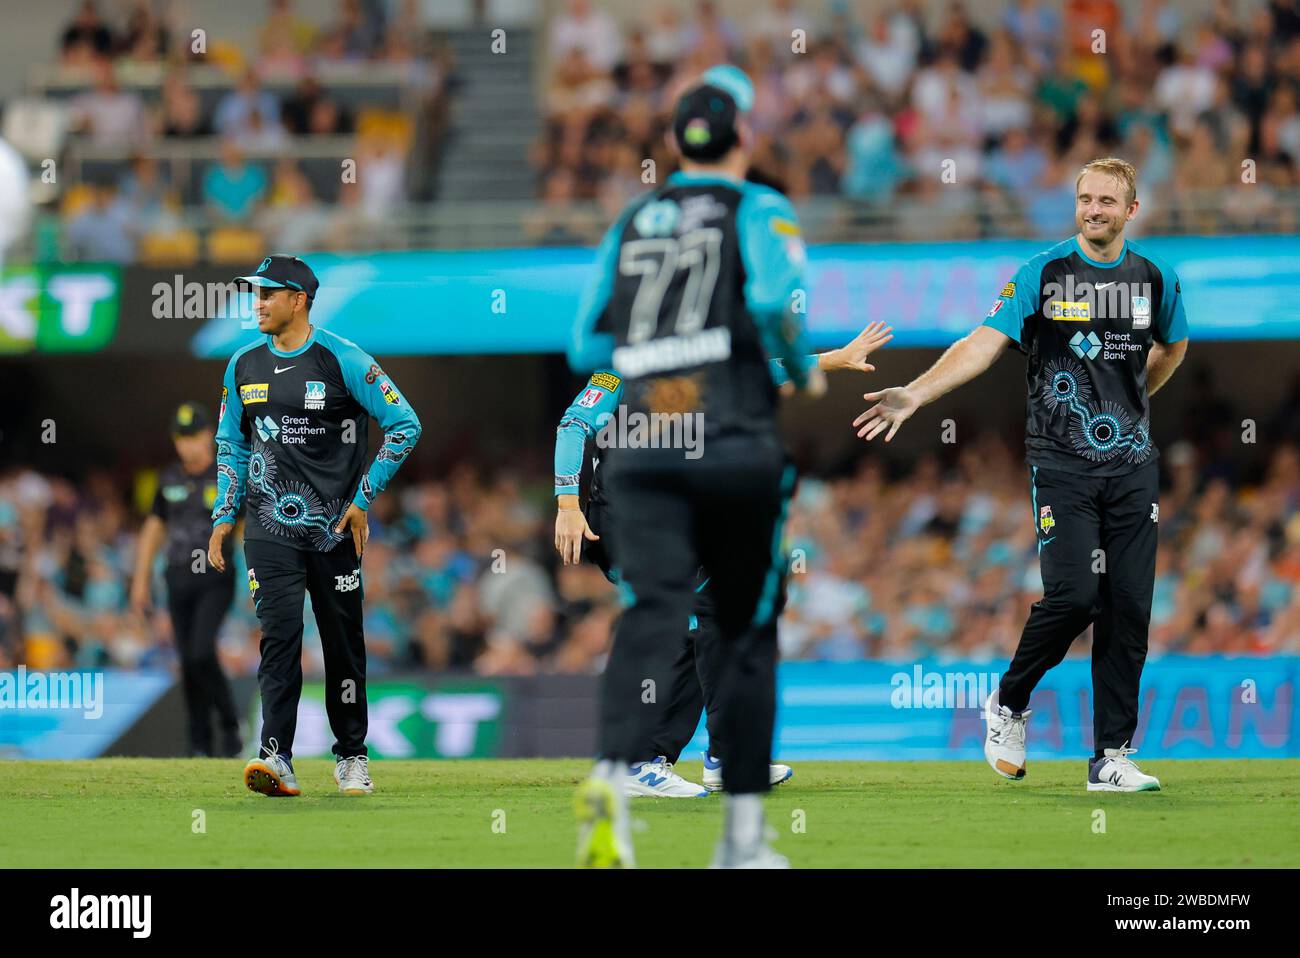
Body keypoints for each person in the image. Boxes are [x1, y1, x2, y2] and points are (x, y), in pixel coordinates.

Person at [854, 157, 1188, 792]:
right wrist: (917, 395)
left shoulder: (1156, 279)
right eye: (1086, 199)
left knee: (1130, 608)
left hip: (1133, 468)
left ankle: (1110, 757)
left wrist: (1138, 399)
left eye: (1107, 202)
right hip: (1062, 466)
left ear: (1130, 211)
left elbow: (1173, 345)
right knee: (1077, 597)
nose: (1094, 210)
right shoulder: (1042, 273)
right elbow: (980, 344)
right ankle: (1008, 702)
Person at [567, 65, 825, 867]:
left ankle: (610, 783)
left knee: (649, 617)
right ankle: (741, 841)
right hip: (733, 440)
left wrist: (660, 364)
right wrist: (795, 366)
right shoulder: (758, 209)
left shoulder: (635, 216)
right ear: (745, 137)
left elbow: (586, 342)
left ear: (675, 143)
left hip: (644, 446)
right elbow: (778, 304)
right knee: (744, 632)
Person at [554, 323, 891, 797]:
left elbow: (765, 373)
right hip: (624, 522)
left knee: (712, 614)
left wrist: (835, 358)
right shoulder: (618, 369)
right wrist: (567, 505)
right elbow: (574, 425)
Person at [207, 255, 421, 797]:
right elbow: (230, 442)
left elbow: (404, 424)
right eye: (255, 294)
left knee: (343, 644)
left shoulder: (343, 359)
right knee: (279, 636)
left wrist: (364, 497)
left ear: (298, 299)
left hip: (333, 531)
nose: (256, 303)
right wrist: (223, 515)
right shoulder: (242, 366)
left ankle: (351, 756)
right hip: (267, 528)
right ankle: (275, 755)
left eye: (267, 294)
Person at [130, 402, 241, 757]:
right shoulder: (169, 479)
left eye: (193, 436)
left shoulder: (227, 474)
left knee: (201, 650)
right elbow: (153, 528)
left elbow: (245, 526)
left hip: (215, 576)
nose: (187, 445)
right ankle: (199, 742)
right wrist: (140, 579)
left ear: (209, 434)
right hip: (177, 577)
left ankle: (228, 723)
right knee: (188, 660)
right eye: (181, 438)